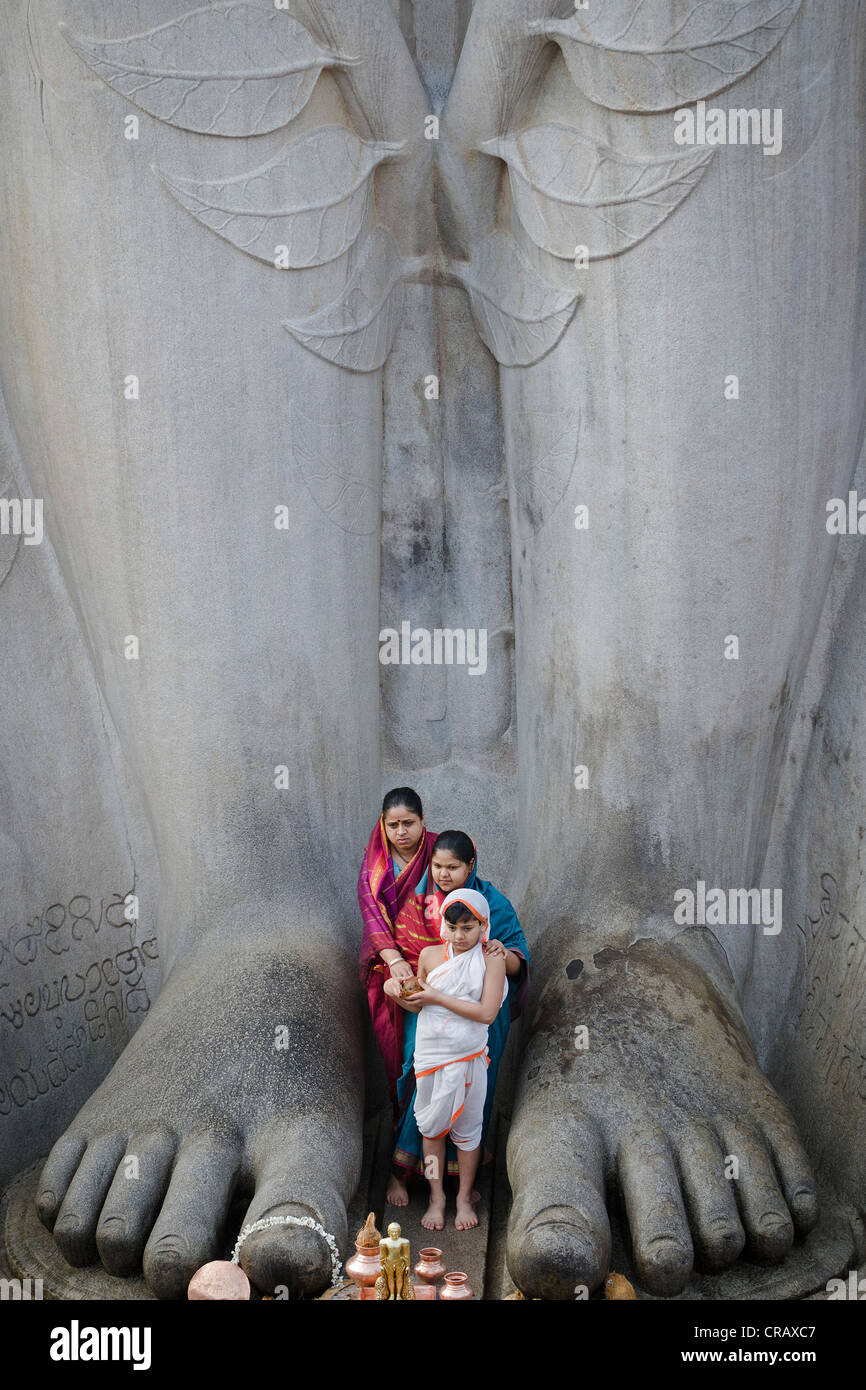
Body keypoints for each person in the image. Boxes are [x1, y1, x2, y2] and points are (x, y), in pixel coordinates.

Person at [390, 830, 529, 1188]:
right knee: (418, 1086)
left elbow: (517, 958)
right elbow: (413, 969)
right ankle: (410, 1175)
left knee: (469, 1101)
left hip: (475, 1023)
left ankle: (463, 1190)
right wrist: (397, 984)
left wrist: (499, 954)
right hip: (428, 1023)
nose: (443, 874)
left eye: (453, 866)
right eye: (437, 865)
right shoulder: (417, 901)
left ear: (471, 864)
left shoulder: (492, 905)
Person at [387, 887, 507, 1231]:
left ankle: (463, 1196)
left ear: (483, 925)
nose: (460, 936)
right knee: (431, 1129)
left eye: (468, 928)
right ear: (444, 926)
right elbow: (418, 1001)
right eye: (453, 928)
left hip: (468, 1057)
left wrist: (436, 995)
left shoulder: (492, 959)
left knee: (469, 1133)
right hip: (432, 1057)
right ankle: (437, 1195)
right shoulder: (429, 956)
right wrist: (393, 992)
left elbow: (486, 1013)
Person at [357, 787, 440, 1206]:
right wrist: (394, 962)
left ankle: (446, 1176)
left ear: (423, 822)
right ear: (383, 824)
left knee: (443, 1071)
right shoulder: (375, 866)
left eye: (409, 823)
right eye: (393, 824)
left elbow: (462, 905)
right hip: (394, 977)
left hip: (443, 977)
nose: (401, 831)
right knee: (405, 1068)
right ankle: (401, 1169)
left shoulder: (439, 856)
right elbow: (373, 917)